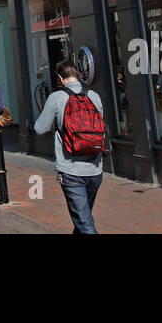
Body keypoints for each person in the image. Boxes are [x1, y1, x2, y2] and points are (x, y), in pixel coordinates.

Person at [32, 60, 106, 234]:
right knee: (82, 219)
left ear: (60, 77)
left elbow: (39, 128)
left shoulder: (56, 97)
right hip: (95, 169)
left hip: (71, 170)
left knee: (85, 224)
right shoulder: (94, 96)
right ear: (77, 74)